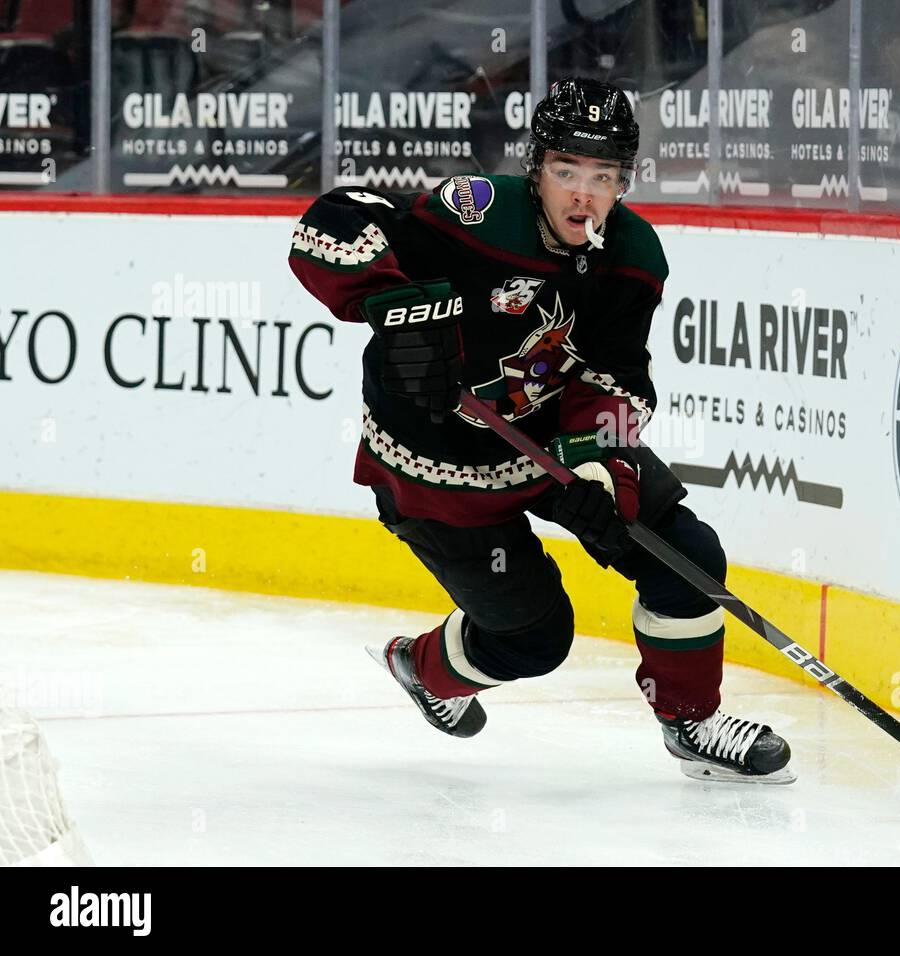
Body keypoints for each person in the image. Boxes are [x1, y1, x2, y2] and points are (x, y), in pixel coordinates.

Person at [288, 77, 791, 781]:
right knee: (535, 639)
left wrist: (595, 464)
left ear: (624, 182)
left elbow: (617, 380)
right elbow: (335, 221)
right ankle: (424, 668)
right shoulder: (479, 213)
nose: (582, 194)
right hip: (436, 467)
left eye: (603, 176)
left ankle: (691, 721)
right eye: (566, 172)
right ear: (536, 170)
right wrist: (396, 307)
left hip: (551, 446)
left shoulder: (634, 256)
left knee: (689, 555)